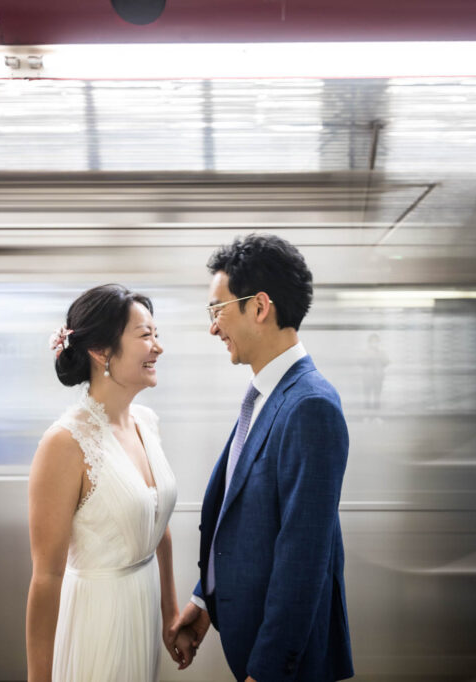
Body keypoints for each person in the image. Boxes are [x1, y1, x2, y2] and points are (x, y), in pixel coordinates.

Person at [168, 234, 354, 682]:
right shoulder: (270, 396)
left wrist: (267, 672)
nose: (213, 327)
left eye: (218, 310)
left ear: (259, 307)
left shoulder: (309, 406)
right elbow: (251, 527)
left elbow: (302, 559)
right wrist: (205, 599)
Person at [26, 284, 195, 682]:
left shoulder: (146, 423)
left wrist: (170, 614)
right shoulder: (65, 443)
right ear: (101, 352)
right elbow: (46, 577)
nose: (158, 347)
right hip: (96, 620)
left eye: (157, 334)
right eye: (145, 335)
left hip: (142, 607)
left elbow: (157, 525)